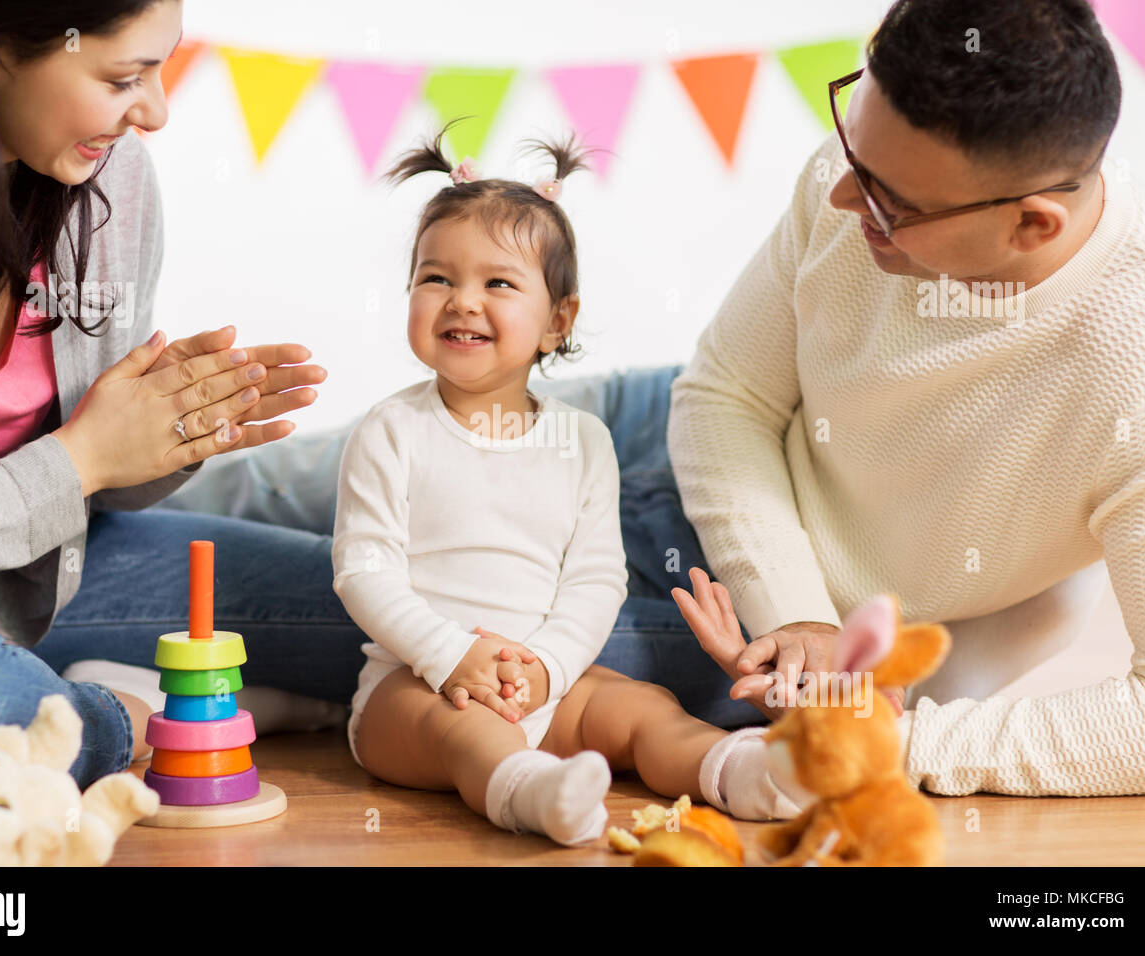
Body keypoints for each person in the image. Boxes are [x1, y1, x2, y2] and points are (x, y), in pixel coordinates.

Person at [668, 0, 1145, 796]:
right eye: (850, 144)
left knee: (502, 667)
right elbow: (725, 395)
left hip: (848, 634)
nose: (840, 198)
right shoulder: (875, 167)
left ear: (1033, 226)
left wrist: (895, 743)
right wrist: (798, 616)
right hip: (714, 475)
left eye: (889, 203)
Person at [0, 0, 335, 831]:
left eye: (162, 67)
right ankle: (105, 719)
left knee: (391, 600)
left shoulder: (107, 181)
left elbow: (94, 500)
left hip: (52, 584)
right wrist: (78, 461)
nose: (155, 112)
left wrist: (166, 434)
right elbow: (65, 475)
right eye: (124, 77)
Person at [330, 122, 815, 845]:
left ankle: (738, 768)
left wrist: (551, 670)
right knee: (462, 727)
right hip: (414, 689)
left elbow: (596, 581)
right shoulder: (390, 431)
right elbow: (362, 575)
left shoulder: (583, 441)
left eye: (497, 282)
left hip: (546, 687)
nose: (462, 300)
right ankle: (532, 793)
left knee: (646, 707)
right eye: (437, 277)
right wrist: (451, 656)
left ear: (558, 320)